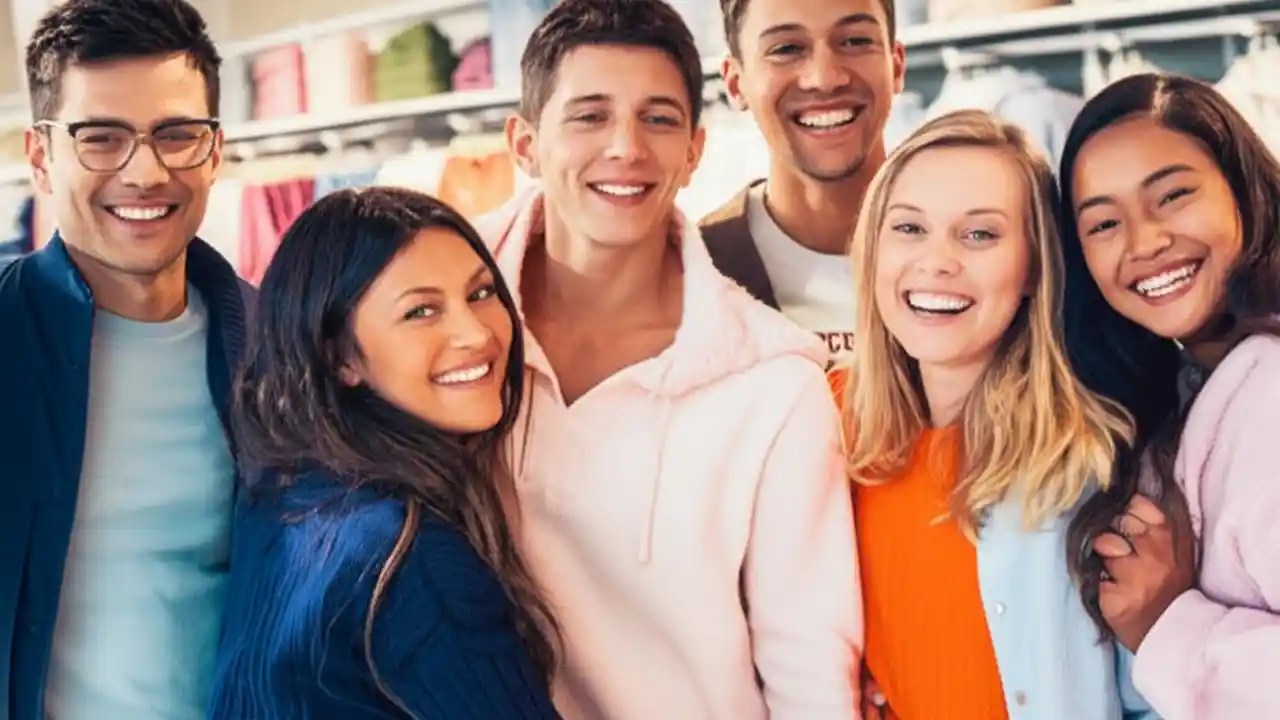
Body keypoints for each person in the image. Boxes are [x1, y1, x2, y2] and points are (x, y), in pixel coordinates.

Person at [474, 0, 860, 717]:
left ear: (694, 151)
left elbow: (809, 668)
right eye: (590, 116)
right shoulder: (435, 325)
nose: (626, 147)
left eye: (658, 119)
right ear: (524, 144)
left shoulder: (776, 386)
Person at [832, 110, 1153, 720]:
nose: (938, 261)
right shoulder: (826, 427)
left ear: (1035, 267)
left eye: (979, 235)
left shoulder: (1094, 461)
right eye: (908, 228)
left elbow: (1156, 701)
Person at [208, 188, 561, 719]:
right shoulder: (409, 556)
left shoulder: (284, 498)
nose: (475, 333)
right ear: (339, 356)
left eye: (482, 293)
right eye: (421, 311)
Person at [0, 1, 249, 718]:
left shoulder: (276, 349)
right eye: (101, 138)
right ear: (41, 155)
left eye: (176, 134)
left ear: (215, 149)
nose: (145, 171)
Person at [1062, 73, 1280, 720]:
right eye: (1103, 223)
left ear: (1243, 190)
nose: (1145, 242)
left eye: (1174, 195)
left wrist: (1169, 625)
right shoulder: (1182, 394)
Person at [701, 0, 905, 368]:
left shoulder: (991, 259)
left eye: (855, 41)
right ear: (735, 83)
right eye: (786, 49)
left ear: (897, 65)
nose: (825, 78)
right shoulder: (692, 275)